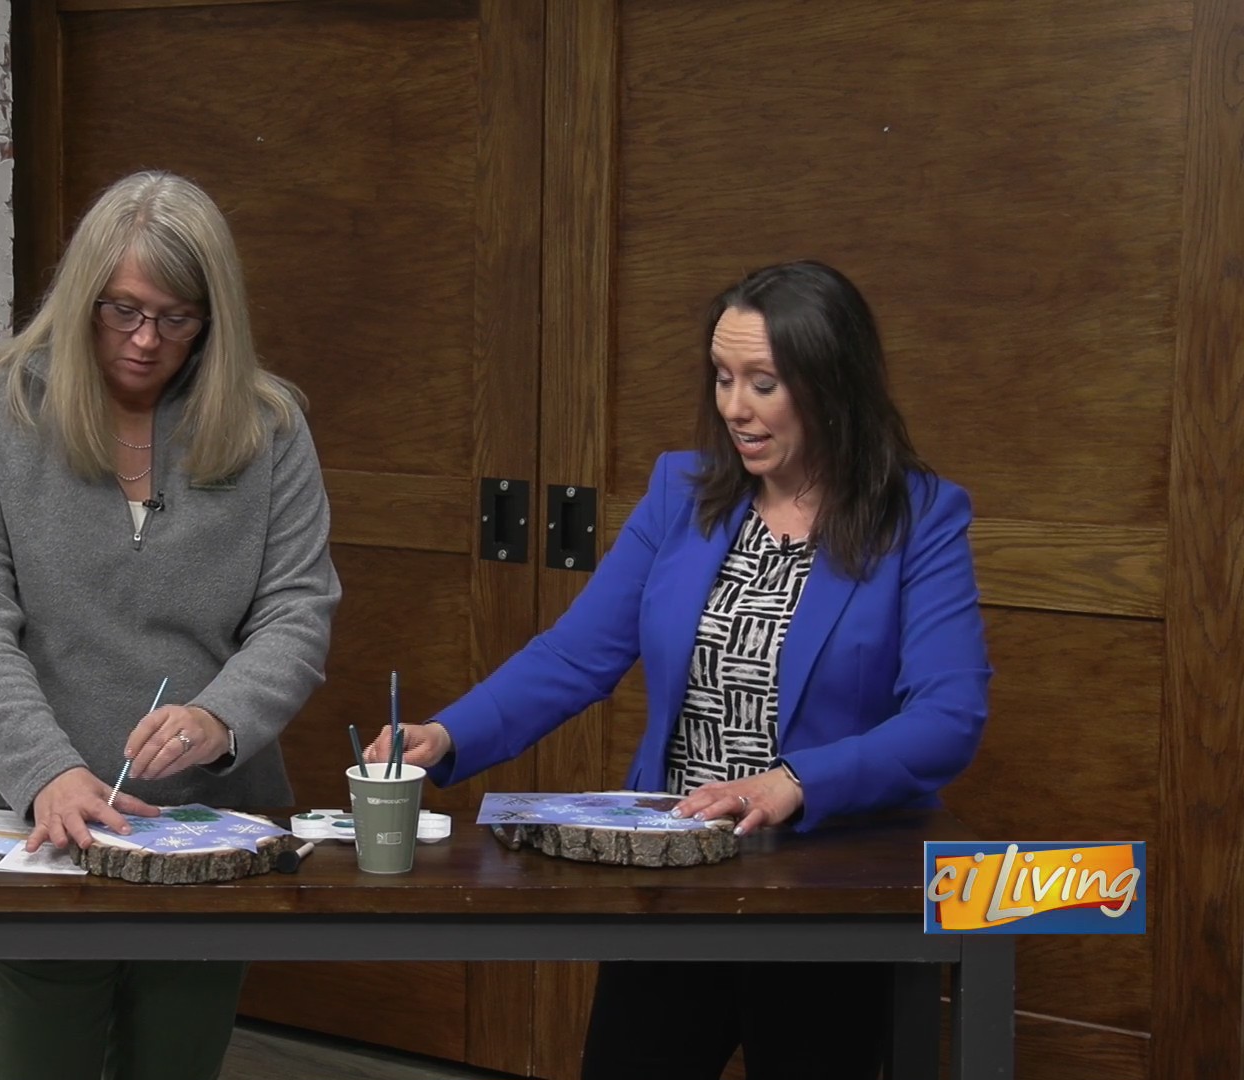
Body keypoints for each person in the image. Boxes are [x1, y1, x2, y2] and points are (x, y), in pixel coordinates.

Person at [366, 260, 990, 1079]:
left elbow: (948, 716)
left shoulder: (918, 518)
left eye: (764, 383)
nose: (735, 407)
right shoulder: (682, 493)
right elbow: (576, 653)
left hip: (825, 889)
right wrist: (447, 735)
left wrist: (794, 781)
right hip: (674, 873)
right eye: (724, 378)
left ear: (833, 383)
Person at [0, 170, 340, 1080]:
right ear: (81, 300)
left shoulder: (269, 427)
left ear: (211, 319)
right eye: (122, 311)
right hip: (32, 829)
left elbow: (298, 609)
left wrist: (219, 717)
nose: (147, 341)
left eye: (178, 319)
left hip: (208, 829)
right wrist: (49, 774)